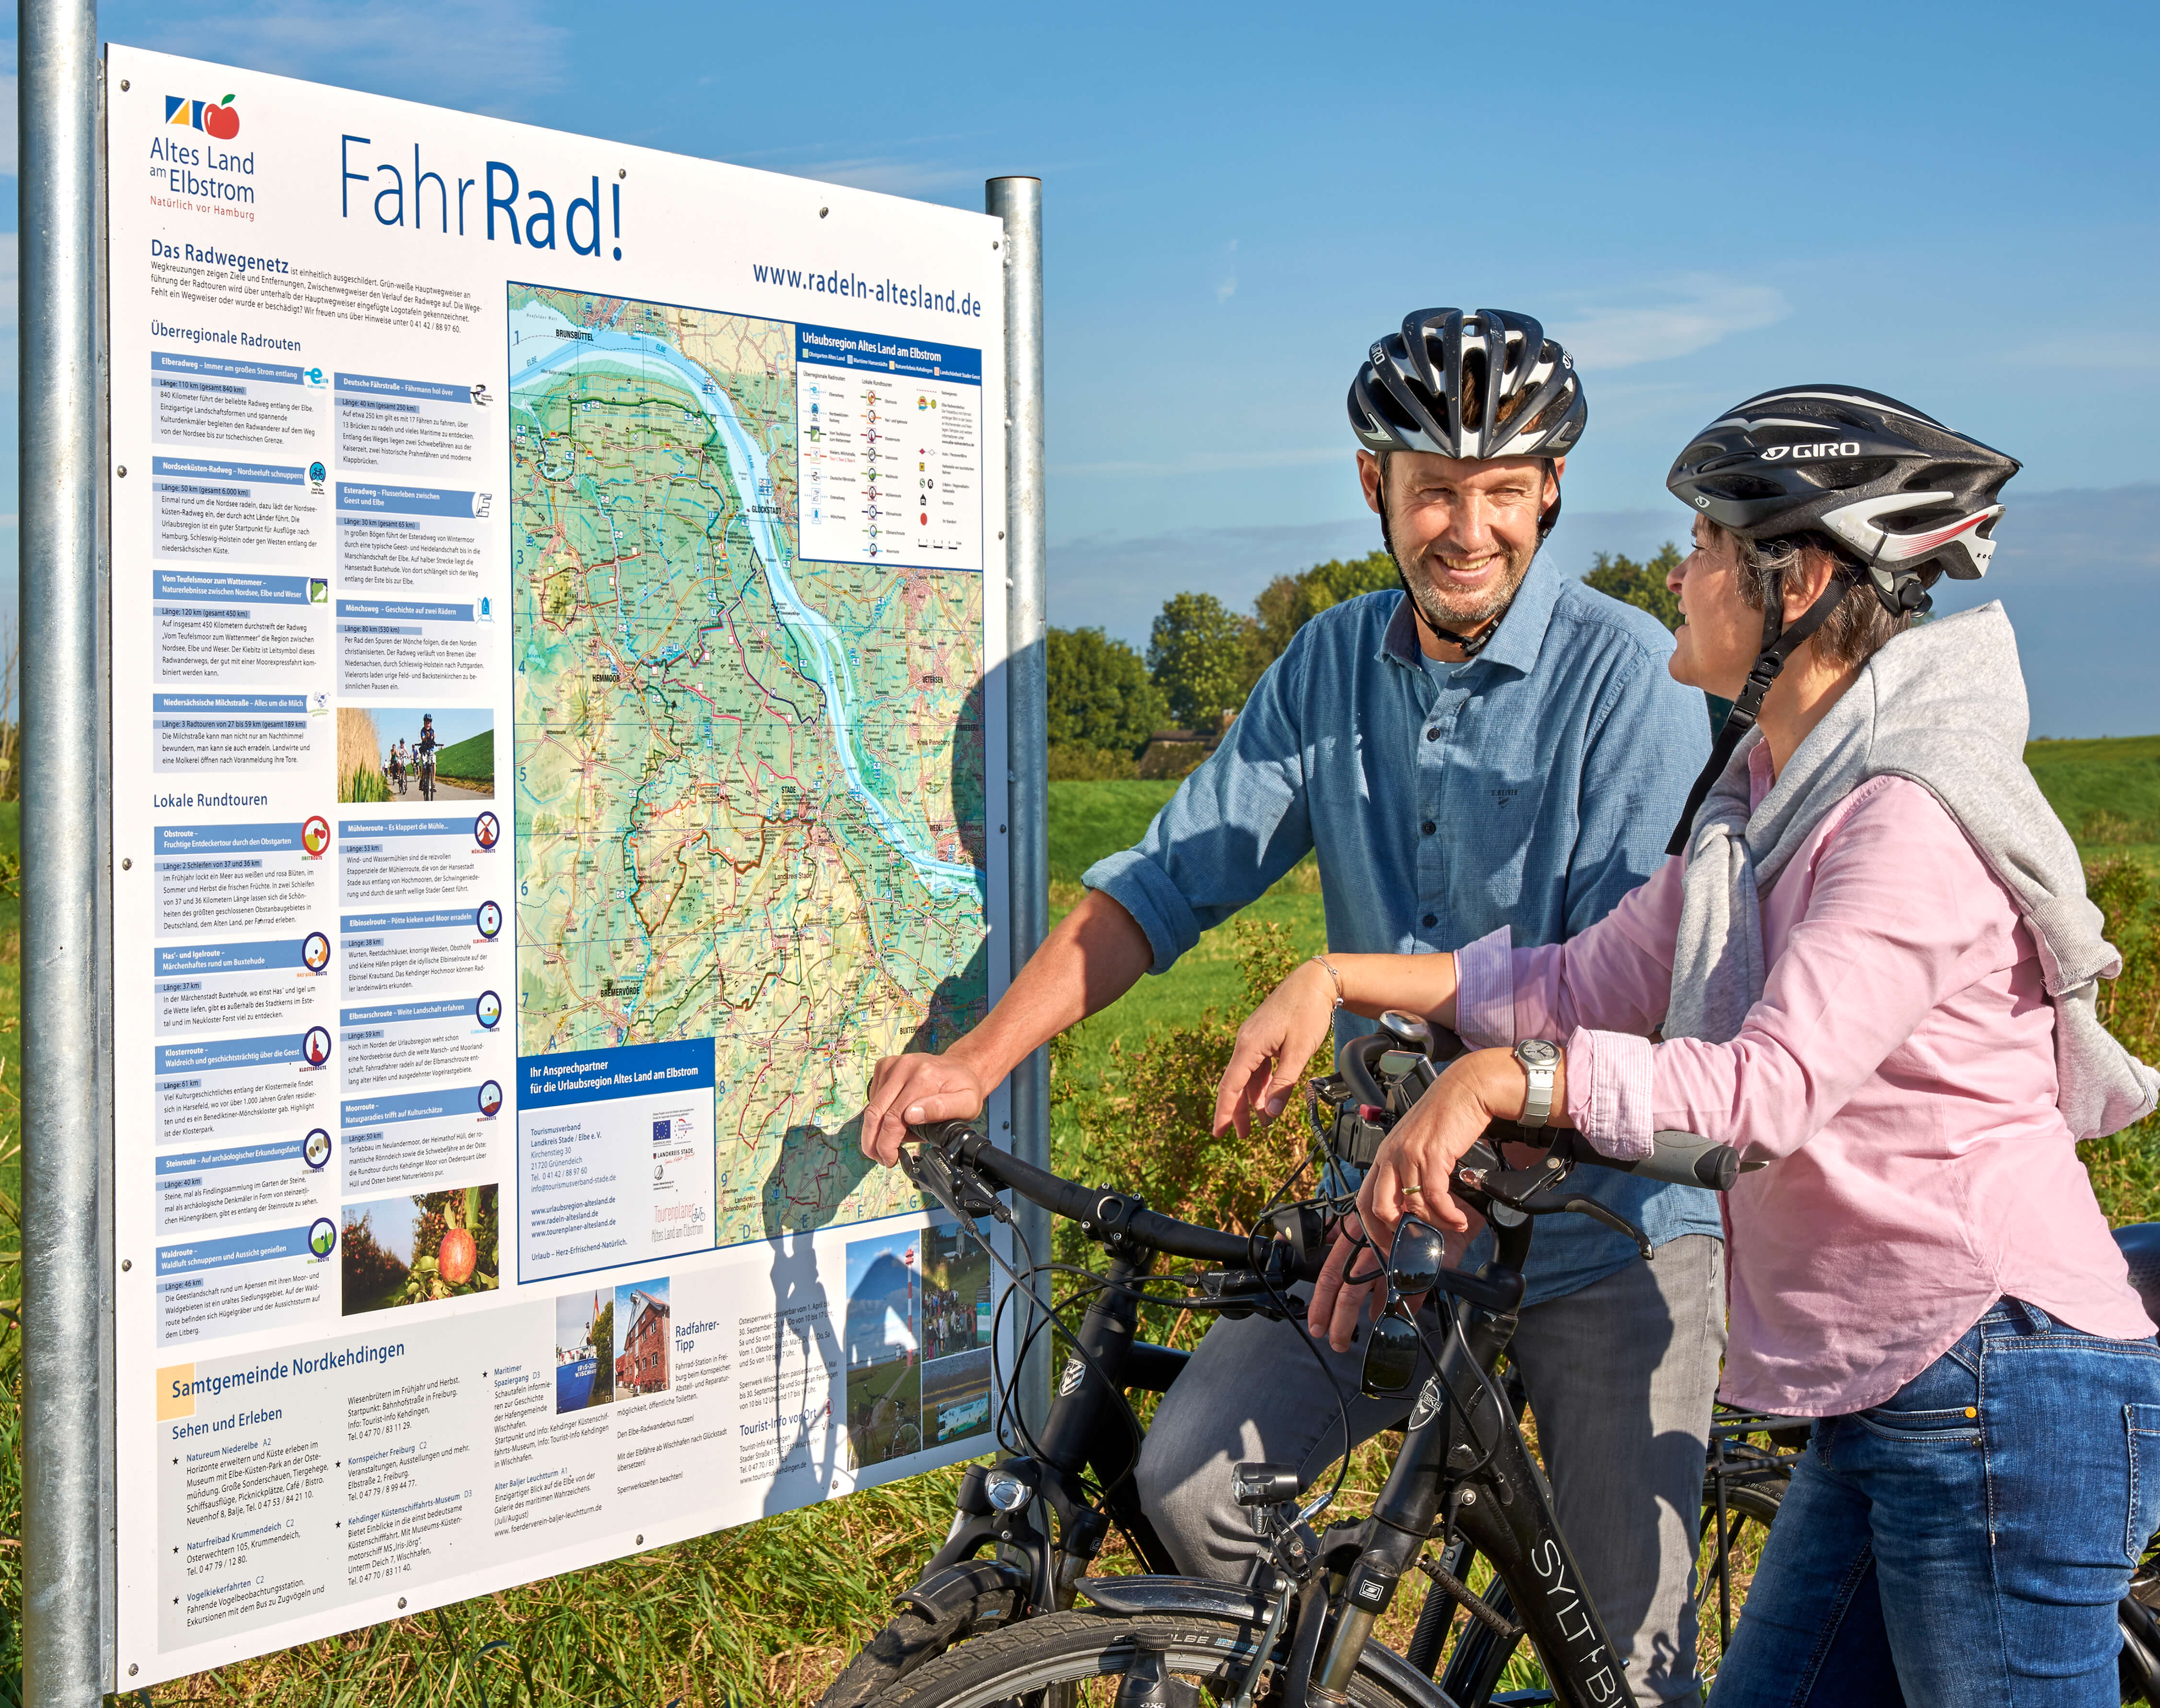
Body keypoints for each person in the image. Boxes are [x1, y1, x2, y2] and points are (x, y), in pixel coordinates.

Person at [860, 308, 1722, 1704]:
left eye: (1503, 489)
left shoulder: (1627, 677)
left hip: (1600, 1227)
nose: (1467, 527)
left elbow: (1636, 991)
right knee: (1193, 1482)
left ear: (1550, 488)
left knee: (1625, 1664)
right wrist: (970, 1059)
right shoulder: (1329, 665)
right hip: (1384, 1224)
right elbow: (1164, 885)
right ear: (1370, 481)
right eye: (1433, 488)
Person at [1287, 385, 2160, 1705]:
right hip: (1888, 1397)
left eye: (1701, 545)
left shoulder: (1900, 819)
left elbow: (1763, 1094)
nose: (1676, 573)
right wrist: (1349, 978)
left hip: (1992, 1388)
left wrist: (1501, 1081)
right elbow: (1585, 977)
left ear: (1795, 581)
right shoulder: (1763, 803)